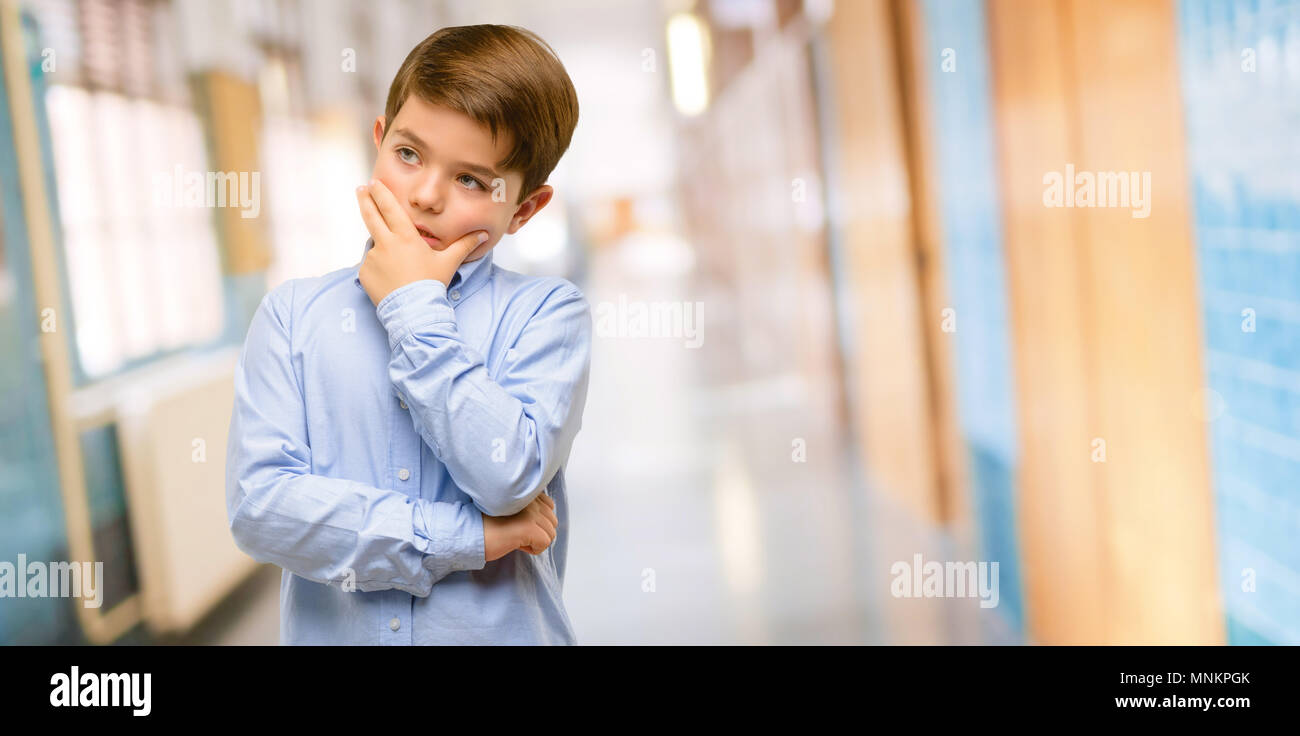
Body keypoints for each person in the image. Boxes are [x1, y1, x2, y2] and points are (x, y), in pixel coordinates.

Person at [224, 24, 588, 645]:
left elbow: (507, 477)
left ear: (524, 208)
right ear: (379, 139)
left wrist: (412, 305)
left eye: (471, 180)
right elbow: (262, 510)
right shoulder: (291, 317)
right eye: (409, 154)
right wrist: (463, 538)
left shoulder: (549, 313)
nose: (424, 196)